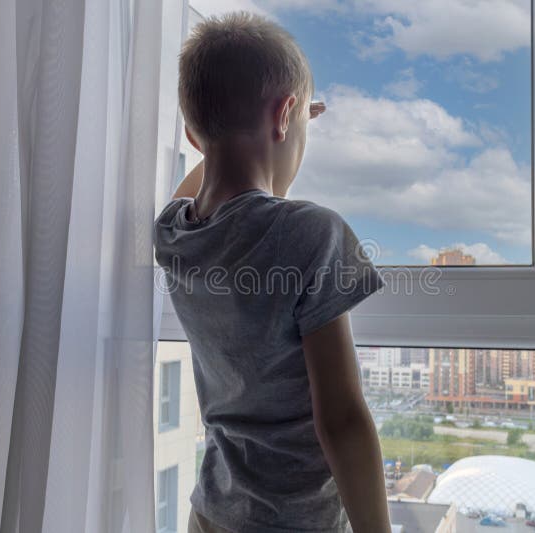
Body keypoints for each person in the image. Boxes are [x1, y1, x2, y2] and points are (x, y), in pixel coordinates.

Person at [154, 12, 391, 533]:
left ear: (193, 137)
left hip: (212, 511)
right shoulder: (310, 233)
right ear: (285, 115)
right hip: (296, 522)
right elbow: (343, 421)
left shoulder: (174, 234)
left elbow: (193, 183)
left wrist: (222, 129)